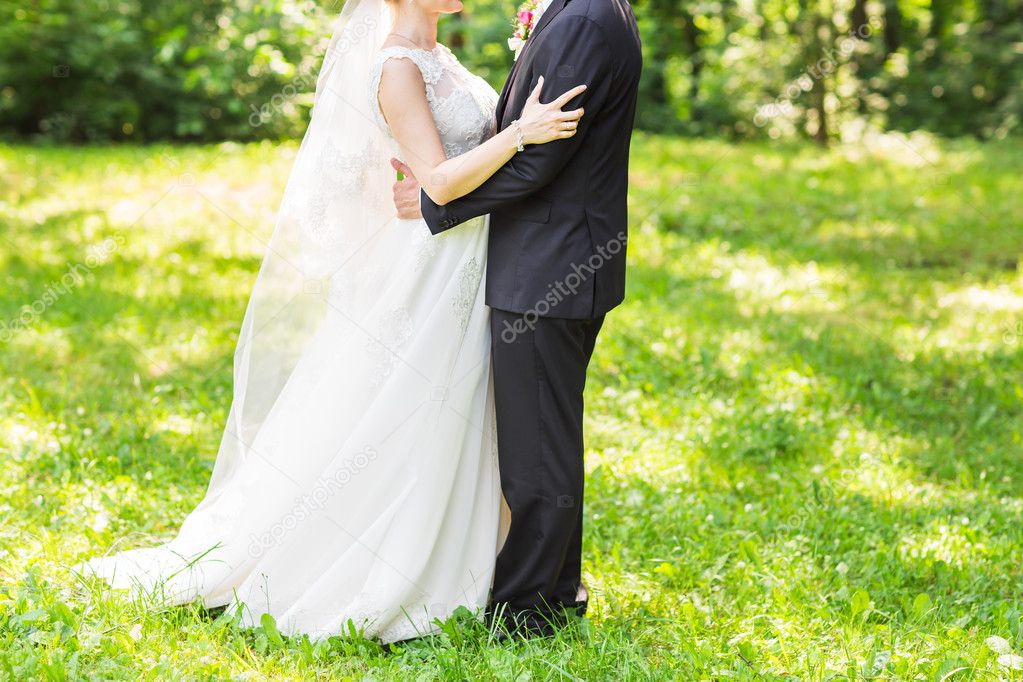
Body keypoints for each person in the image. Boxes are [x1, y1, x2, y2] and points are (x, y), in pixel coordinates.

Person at [79, 0, 588, 643]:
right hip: (432, 265)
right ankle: (393, 564)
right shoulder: (397, 67)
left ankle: (478, 559)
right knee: (414, 409)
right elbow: (439, 183)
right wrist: (521, 135)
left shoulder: (439, 57)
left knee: (467, 408)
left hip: (472, 256)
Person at [392, 0, 642, 636]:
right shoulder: (580, 9)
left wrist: (436, 199)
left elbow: (541, 158)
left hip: (551, 264)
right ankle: (554, 591)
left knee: (537, 452)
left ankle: (529, 610)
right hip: (554, 260)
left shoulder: (583, 18)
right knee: (545, 438)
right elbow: (522, 135)